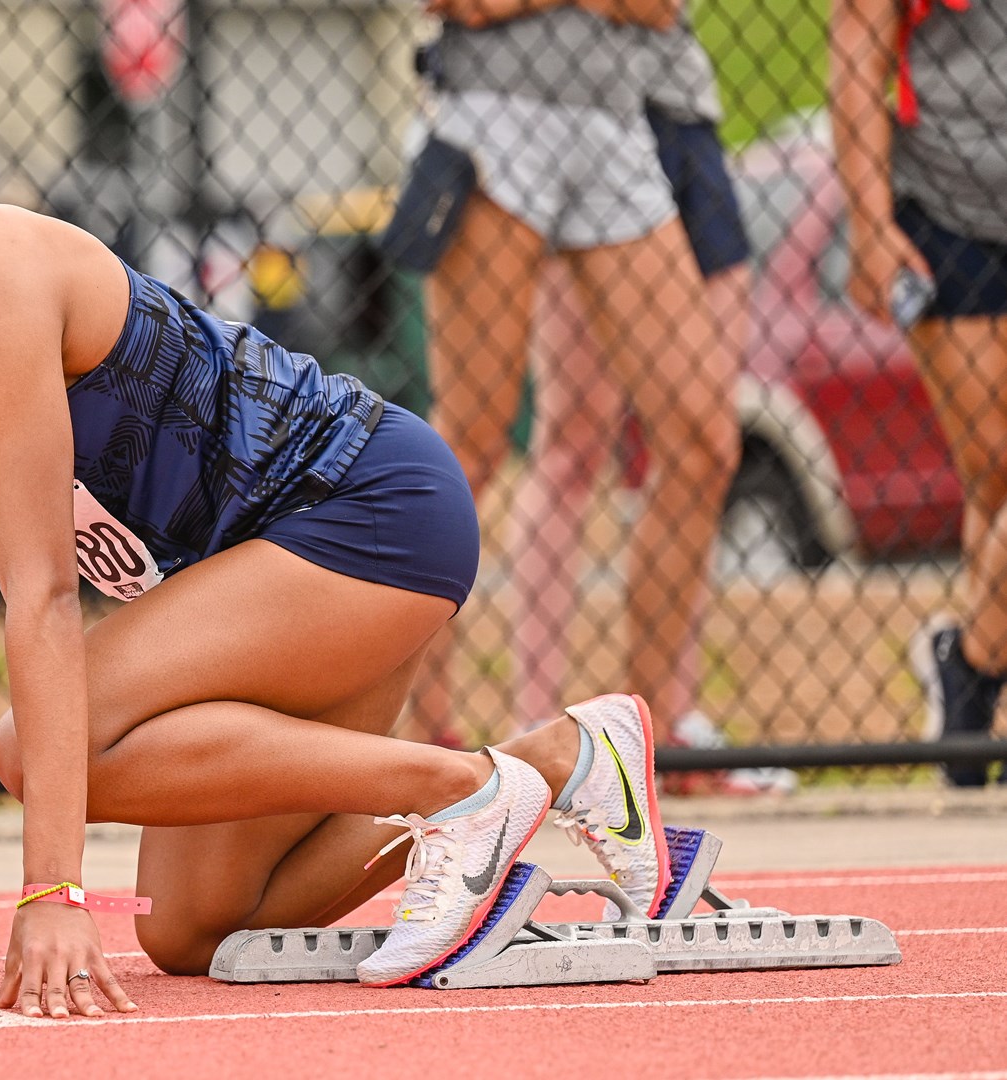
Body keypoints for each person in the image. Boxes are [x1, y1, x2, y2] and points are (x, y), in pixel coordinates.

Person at [0, 108, 677, 1014]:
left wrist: (52, 895)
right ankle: (553, 766)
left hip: (366, 512)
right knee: (194, 928)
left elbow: (39, 597)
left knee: (33, 745)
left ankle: (463, 792)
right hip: (275, 570)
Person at [395, 0, 741, 763]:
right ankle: (425, 742)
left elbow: (654, 9)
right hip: (492, 120)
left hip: (614, 130)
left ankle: (642, 755)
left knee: (703, 440)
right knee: (471, 446)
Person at [504, 17, 798, 795]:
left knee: (702, 447)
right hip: (583, 121)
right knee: (572, 443)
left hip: (681, 124)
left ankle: (665, 726)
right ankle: (538, 739)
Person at [833, 0, 1007, 786]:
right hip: (947, 203)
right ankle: (974, 668)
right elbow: (857, 48)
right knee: (997, 466)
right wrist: (870, 226)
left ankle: (974, 662)